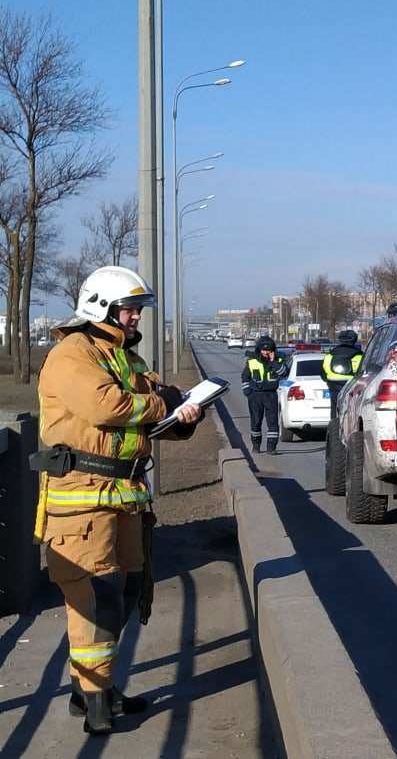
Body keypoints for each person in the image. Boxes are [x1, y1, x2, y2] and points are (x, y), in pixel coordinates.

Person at [33, 266, 204, 735]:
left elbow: (144, 413)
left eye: (137, 310)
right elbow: (107, 407)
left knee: (126, 592)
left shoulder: (123, 357)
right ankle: (94, 703)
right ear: (101, 308)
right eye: (129, 309)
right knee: (95, 598)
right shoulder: (73, 354)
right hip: (81, 497)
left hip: (123, 496)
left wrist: (182, 414)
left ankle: (93, 688)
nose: (135, 317)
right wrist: (163, 403)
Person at [242, 336, 288, 453]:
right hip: (255, 396)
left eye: (268, 350)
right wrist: (248, 392)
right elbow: (245, 377)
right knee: (256, 421)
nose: (266, 352)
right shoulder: (252, 361)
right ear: (259, 349)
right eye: (263, 350)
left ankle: (271, 447)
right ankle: (256, 445)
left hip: (270, 395)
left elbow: (283, 373)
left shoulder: (278, 360)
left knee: (272, 422)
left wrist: (273, 362)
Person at [321, 329, 363, 421]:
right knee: (353, 408)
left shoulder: (330, 355)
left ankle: (334, 427)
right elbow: (364, 372)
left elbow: (323, 375)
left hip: (334, 386)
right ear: (354, 340)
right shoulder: (359, 355)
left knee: (335, 408)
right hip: (352, 386)